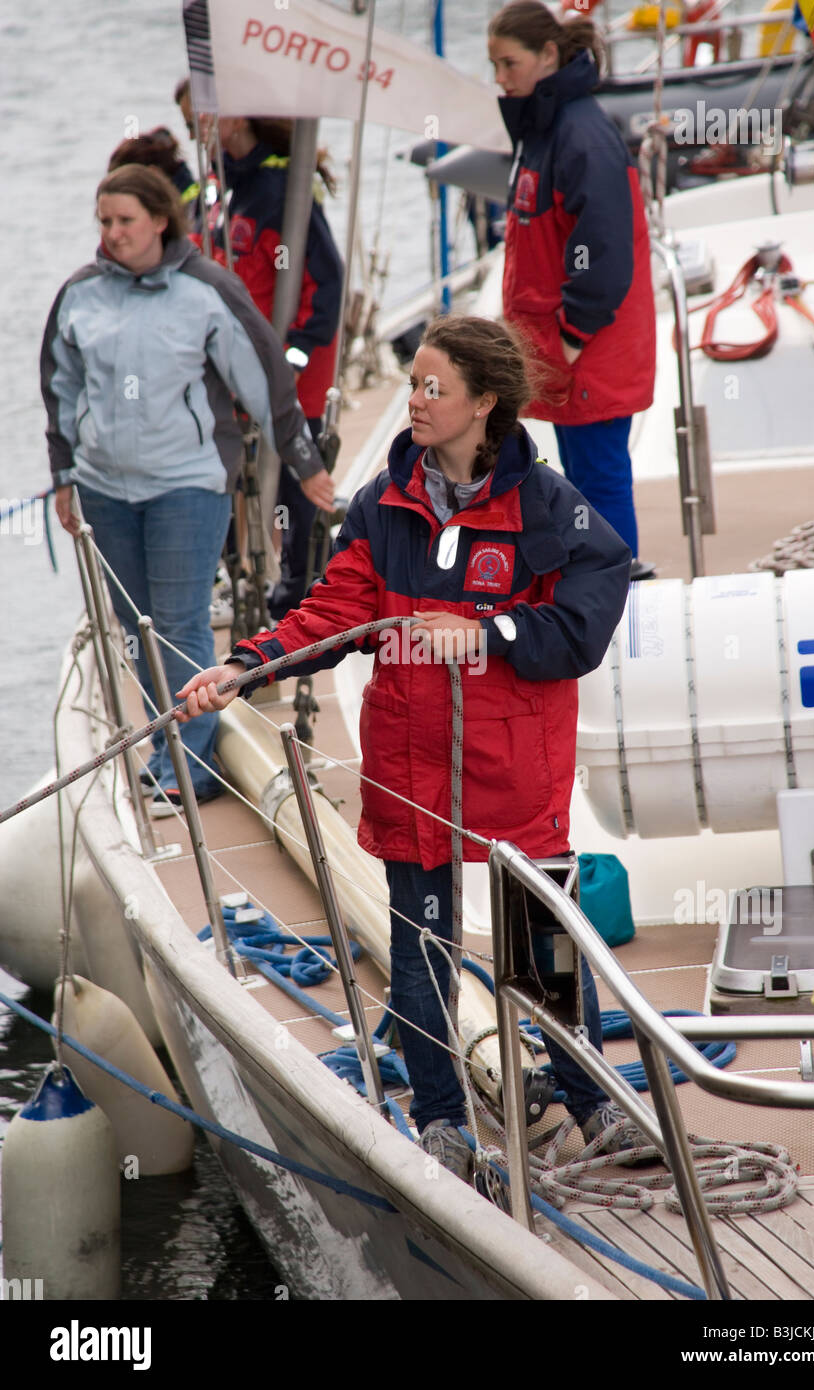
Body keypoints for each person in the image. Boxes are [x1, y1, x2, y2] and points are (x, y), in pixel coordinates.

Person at [176, 314, 649, 1180]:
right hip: (411, 770)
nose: (417, 401)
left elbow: (589, 612)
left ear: (485, 403)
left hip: (515, 765)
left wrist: (490, 631)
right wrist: (244, 666)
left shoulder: (548, 507)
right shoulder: (382, 505)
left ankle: (590, 1106)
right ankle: (442, 1122)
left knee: (540, 949)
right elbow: (334, 611)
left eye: (435, 387)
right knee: (419, 953)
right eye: (414, 385)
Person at [41, 164, 334, 804]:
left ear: (159, 221)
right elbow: (60, 391)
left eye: (125, 221)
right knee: (136, 624)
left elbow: (265, 382)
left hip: (188, 482)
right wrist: (64, 476)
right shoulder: (81, 295)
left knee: (177, 624)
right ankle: (166, 741)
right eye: (104, 222)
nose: (112, 233)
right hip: (103, 485)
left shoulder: (206, 289)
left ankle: (190, 767)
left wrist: (304, 462)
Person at [488, 1, 657, 579]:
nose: (500, 79)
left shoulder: (578, 134)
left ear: (549, 57)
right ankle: (601, 589)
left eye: (509, 64)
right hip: (565, 353)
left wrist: (570, 337)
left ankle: (616, 595)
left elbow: (605, 250)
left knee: (599, 477)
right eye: (495, 66)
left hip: (587, 350)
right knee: (585, 479)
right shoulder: (546, 129)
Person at [216, 116, 344, 618]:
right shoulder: (229, 192)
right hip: (241, 375)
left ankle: (301, 597)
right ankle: (245, 583)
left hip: (292, 376)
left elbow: (325, 281)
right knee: (239, 478)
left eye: (201, 117)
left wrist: (292, 358)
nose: (197, 129)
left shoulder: (278, 194)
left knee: (298, 482)